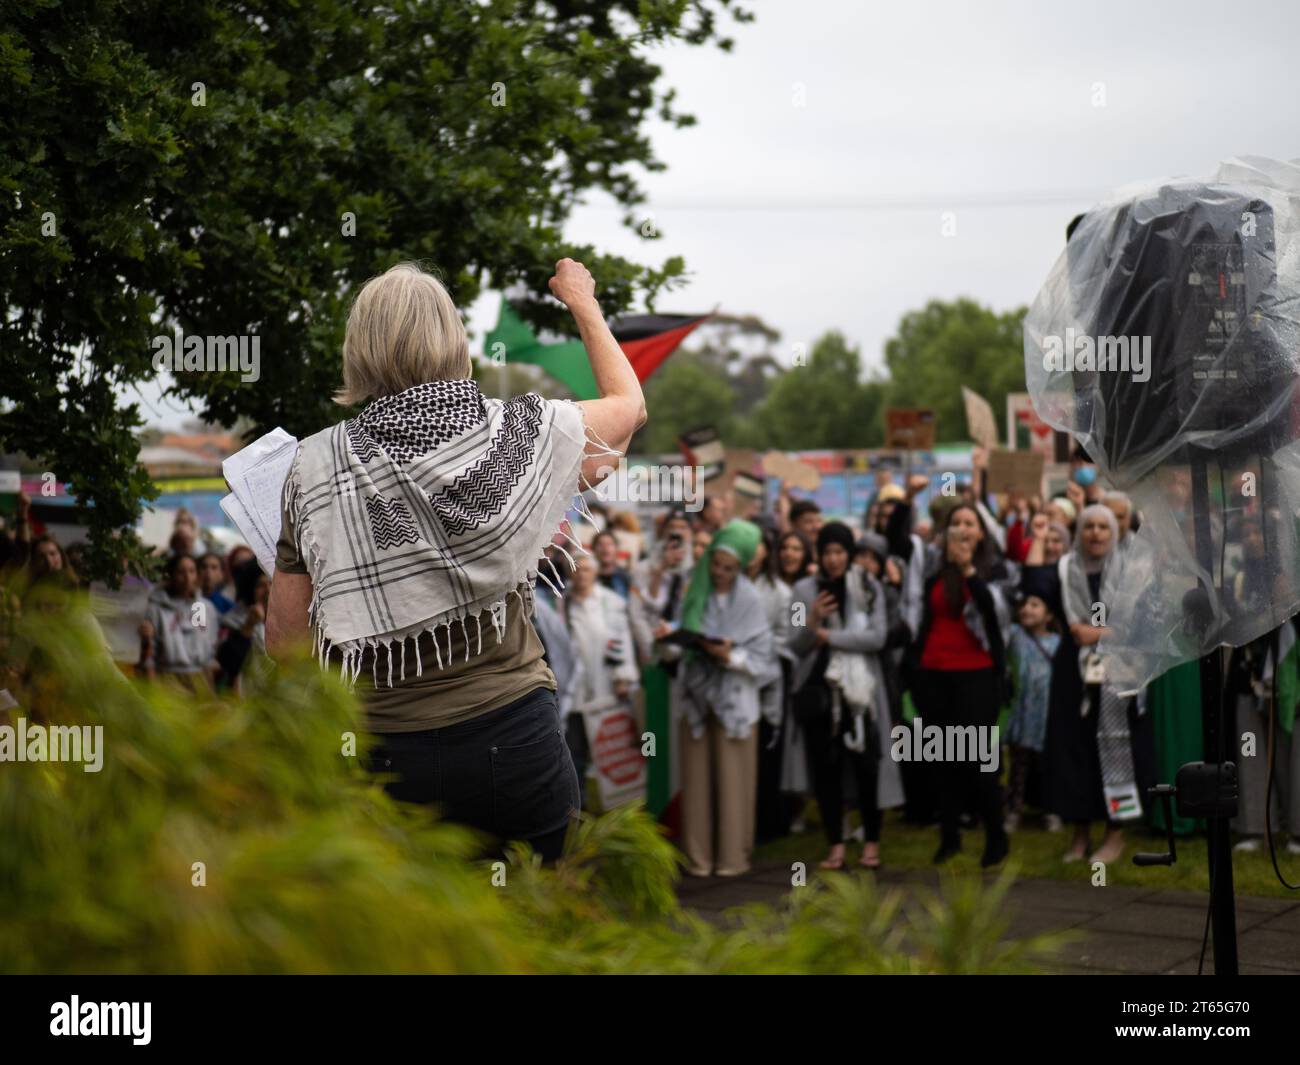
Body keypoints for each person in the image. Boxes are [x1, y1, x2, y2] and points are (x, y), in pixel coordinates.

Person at [265, 258, 645, 863]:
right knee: (538, 934)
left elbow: (286, 649)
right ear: (455, 339)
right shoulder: (523, 433)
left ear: (358, 349)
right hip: (517, 741)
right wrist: (580, 300)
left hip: (385, 759)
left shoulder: (312, 469)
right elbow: (628, 407)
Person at [1046, 503, 1155, 864]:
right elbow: (1031, 586)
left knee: (1115, 750)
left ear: (1114, 532)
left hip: (1118, 671)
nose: (1095, 533)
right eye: (1088, 526)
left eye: (1103, 527)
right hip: (1074, 675)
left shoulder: (1133, 571)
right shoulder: (1065, 569)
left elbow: (1144, 623)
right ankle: (1079, 835)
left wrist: (1098, 632)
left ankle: (1115, 833)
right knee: (1075, 752)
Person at [788, 522, 900, 870]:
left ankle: (872, 842)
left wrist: (829, 637)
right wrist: (812, 622)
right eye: (827, 552)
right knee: (826, 768)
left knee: (867, 764)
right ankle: (835, 843)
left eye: (840, 552)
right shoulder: (802, 590)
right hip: (820, 691)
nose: (834, 559)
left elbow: (877, 638)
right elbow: (794, 643)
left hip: (861, 691)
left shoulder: (868, 587)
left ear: (849, 553)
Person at [907, 507, 1011, 867]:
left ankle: (996, 837)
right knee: (943, 758)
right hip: (934, 675)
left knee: (976, 761)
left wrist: (968, 571)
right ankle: (949, 838)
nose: (962, 530)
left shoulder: (995, 571)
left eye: (970, 524)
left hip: (976, 676)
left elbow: (994, 614)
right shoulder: (933, 571)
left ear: (981, 533)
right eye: (956, 524)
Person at [669, 519, 772, 877]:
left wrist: (730, 656)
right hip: (697, 698)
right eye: (716, 564)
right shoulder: (693, 591)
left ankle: (733, 859)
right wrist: (672, 639)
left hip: (736, 702)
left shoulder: (751, 599)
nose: (721, 573)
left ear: (741, 567)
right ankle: (698, 859)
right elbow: (677, 637)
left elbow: (764, 660)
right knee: (696, 783)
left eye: (730, 568)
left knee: (734, 784)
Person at [563, 553, 639, 804]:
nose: (581, 574)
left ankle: (622, 802)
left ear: (595, 573)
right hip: (575, 691)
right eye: (577, 569)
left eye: (586, 569)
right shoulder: (562, 604)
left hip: (606, 685)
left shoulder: (610, 602)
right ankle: (580, 802)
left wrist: (622, 676)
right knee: (575, 749)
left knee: (613, 748)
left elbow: (621, 640)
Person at [749, 528, 793, 842]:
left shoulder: (779, 592)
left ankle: (769, 824)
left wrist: (753, 654)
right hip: (733, 682)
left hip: (766, 680)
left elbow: (786, 638)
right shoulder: (727, 585)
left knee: (766, 753)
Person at [1004, 590, 1060, 830]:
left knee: (1048, 766)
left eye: (1035, 604)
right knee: (1019, 765)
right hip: (1022, 712)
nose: (1027, 609)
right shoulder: (1014, 636)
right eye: (1025, 604)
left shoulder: (1057, 642)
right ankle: (1014, 810)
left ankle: (1052, 810)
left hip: (1047, 713)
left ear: (1048, 615)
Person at [139, 553, 220, 690]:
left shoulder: (204, 607)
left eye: (191, 571)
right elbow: (149, 656)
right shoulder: (156, 608)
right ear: (170, 575)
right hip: (167, 679)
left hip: (199, 677)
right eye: (181, 572)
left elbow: (209, 650)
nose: (188, 578)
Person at [215, 558, 270, 691]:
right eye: (261, 585)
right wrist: (248, 626)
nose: (268, 590)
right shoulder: (233, 619)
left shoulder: (285, 619)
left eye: (272, 583)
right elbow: (228, 664)